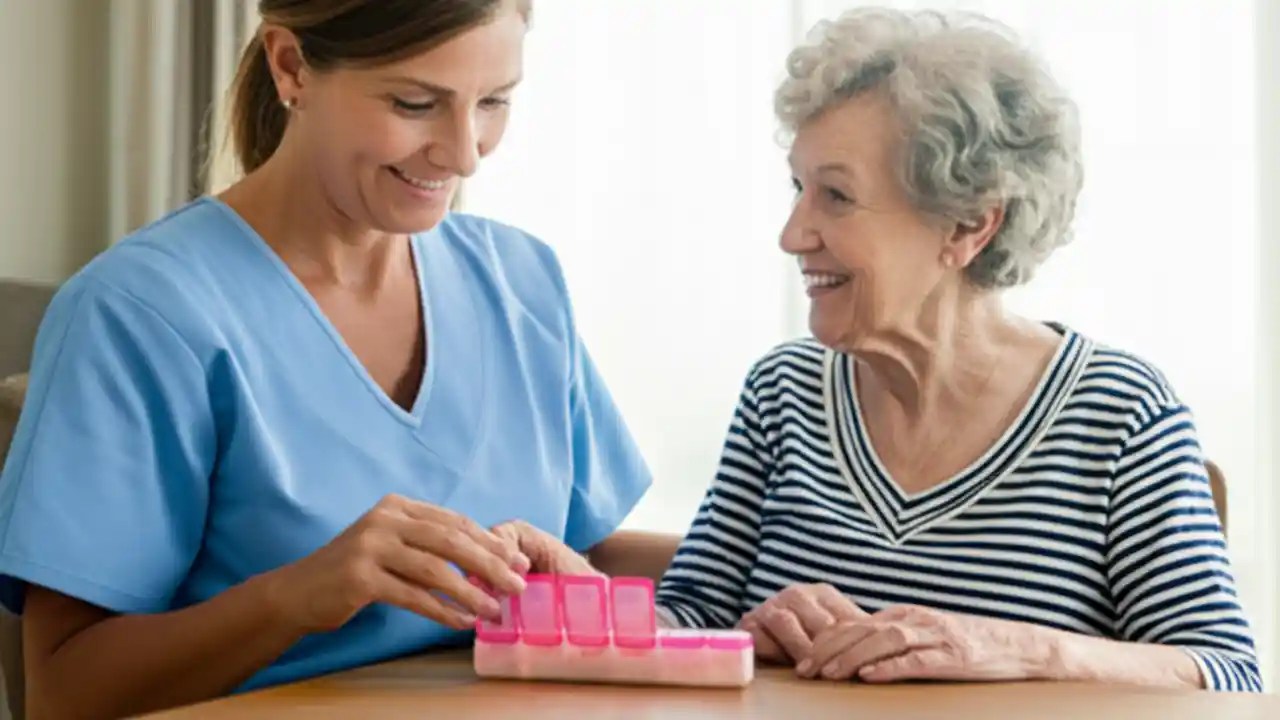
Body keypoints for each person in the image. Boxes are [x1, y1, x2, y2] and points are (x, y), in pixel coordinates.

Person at [0, 1, 656, 717]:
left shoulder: (521, 282)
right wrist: (299, 595)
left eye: (494, 101)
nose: (465, 152)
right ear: (291, 67)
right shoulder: (142, 313)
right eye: (415, 102)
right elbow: (63, 694)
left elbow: (586, 555)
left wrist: (782, 583)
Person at [656, 7, 1261, 693]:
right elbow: (691, 615)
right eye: (800, 189)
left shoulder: (1119, 415)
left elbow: (1230, 675)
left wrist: (1019, 648)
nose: (794, 234)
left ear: (969, 225)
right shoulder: (784, 390)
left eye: (836, 196)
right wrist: (728, 627)